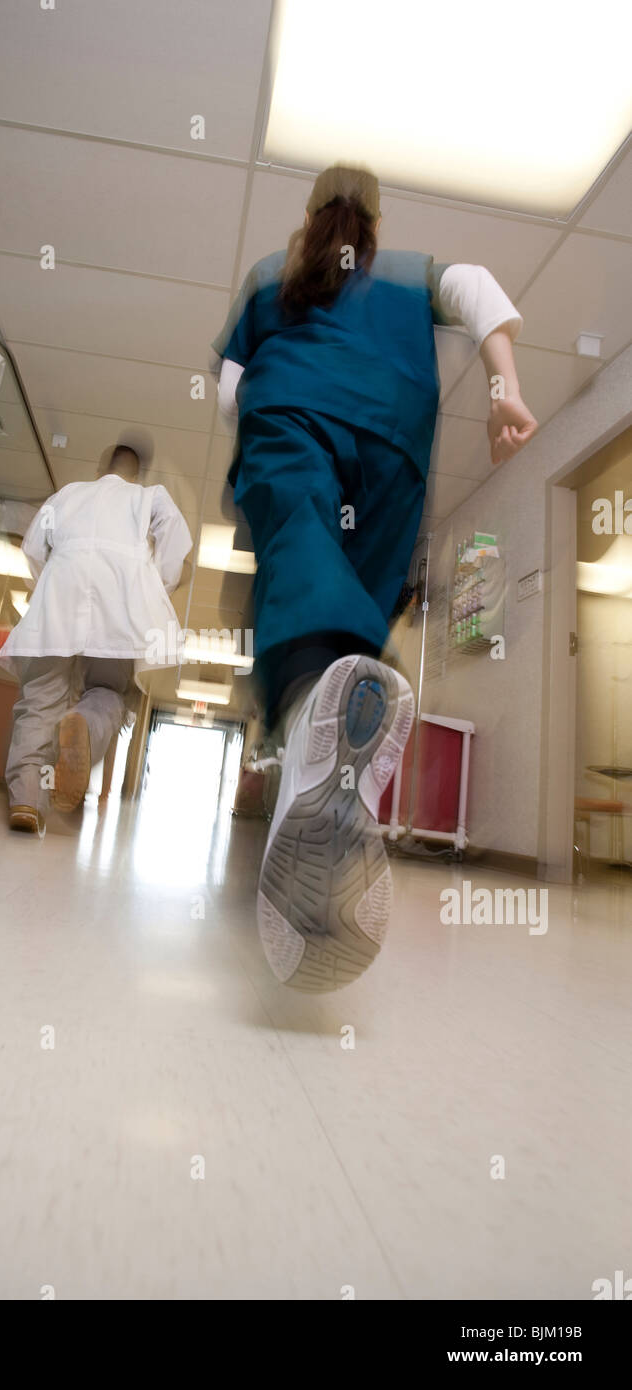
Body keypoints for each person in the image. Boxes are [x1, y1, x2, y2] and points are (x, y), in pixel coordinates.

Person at [211, 162, 538, 992]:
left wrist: (259, 433)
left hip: (291, 411)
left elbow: (229, 393)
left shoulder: (269, 278)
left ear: (311, 211)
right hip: (392, 437)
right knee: (354, 594)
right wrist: (505, 388)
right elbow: (477, 288)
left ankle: (306, 734)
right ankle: (325, 742)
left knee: (299, 549)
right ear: (377, 221)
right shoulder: (407, 272)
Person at [0, 434, 193, 833]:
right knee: (106, 692)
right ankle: (85, 723)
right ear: (137, 475)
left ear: (100, 470)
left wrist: (50, 587)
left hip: (57, 606)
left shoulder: (67, 494)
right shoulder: (149, 498)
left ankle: (26, 802)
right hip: (117, 612)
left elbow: (34, 549)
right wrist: (152, 588)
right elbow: (176, 547)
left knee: (39, 700)